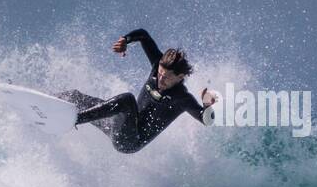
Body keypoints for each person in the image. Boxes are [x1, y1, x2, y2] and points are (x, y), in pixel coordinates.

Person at [57, 29, 218, 154]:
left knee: (127, 100)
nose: (160, 79)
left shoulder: (182, 98)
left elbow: (206, 120)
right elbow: (143, 35)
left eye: (167, 77)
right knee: (75, 96)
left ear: (180, 77)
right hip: (116, 125)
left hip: (130, 141)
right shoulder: (157, 66)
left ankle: (73, 119)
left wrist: (207, 106)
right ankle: (49, 103)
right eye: (160, 73)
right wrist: (126, 40)